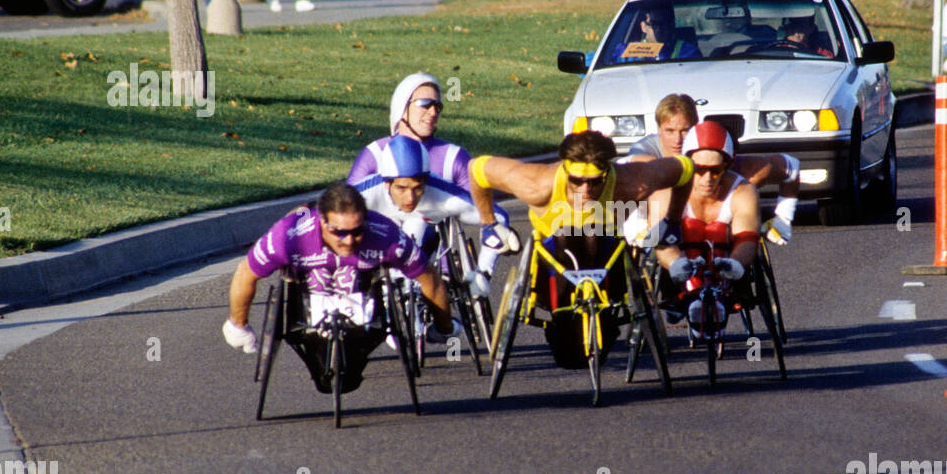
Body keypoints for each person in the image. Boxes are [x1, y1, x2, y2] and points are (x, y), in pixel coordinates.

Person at [467, 130, 695, 368]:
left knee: (593, 232)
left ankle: (602, 320)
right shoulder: (536, 183)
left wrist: (673, 221)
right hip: (554, 260)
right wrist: (489, 224)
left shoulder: (631, 181)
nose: (585, 189)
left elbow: (685, 169)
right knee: (569, 234)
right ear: (565, 170)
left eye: (595, 181)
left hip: (606, 255)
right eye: (577, 180)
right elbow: (477, 168)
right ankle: (566, 321)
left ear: (607, 172)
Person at [222, 183, 452, 391]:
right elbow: (246, 273)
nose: (349, 240)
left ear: (366, 221)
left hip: (362, 303)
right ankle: (306, 208)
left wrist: (444, 328)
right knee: (299, 213)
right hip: (307, 298)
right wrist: (238, 324)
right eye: (339, 232)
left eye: (357, 231)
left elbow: (429, 278)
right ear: (323, 222)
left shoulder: (386, 233)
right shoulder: (287, 237)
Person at [358, 72, 513, 297]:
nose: (433, 112)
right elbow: (346, 208)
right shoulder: (373, 153)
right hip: (379, 251)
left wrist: (483, 271)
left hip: (435, 254)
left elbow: (488, 213)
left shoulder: (454, 156)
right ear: (403, 107)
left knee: (419, 220)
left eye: (438, 106)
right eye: (425, 105)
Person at [625, 93, 801, 245]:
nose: (677, 140)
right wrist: (635, 221)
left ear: (696, 127)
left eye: (685, 131)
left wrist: (784, 217)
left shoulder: (714, 155)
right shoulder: (644, 153)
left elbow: (791, 166)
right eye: (670, 131)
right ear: (658, 129)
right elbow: (620, 181)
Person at [654, 121, 761, 332]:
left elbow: (747, 238)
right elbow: (661, 241)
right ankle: (687, 296)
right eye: (699, 169)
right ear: (687, 164)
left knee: (720, 230)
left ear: (727, 166)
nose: (707, 179)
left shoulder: (743, 190)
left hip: (723, 255)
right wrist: (675, 263)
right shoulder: (667, 190)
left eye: (715, 170)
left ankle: (720, 298)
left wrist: (736, 264)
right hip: (680, 254)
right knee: (685, 227)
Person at [608, 5, 699, 63]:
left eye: (665, 23)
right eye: (654, 24)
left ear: (672, 25)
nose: (659, 28)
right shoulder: (626, 52)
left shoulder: (689, 52)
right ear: (643, 27)